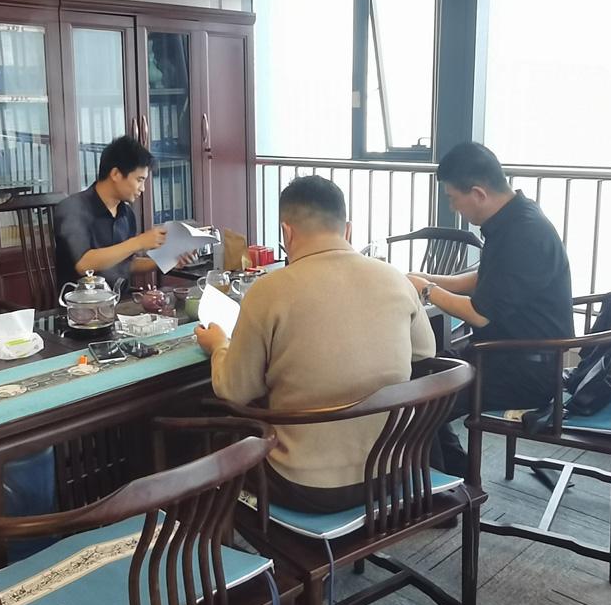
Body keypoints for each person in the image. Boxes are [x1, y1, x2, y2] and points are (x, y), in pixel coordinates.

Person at [195, 175, 436, 513]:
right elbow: (425, 351)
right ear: (347, 229)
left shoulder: (269, 291)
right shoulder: (395, 278)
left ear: (287, 232)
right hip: (391, 471)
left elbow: (235, 391)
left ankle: (221, 540)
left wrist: (220, 344)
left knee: (212, 445)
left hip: (304, 485)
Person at [407, 143, 573, 477]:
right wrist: (429, 278)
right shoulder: (515, 217)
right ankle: (456, 476)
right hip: (503, 353)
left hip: (525, 371)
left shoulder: (524, 234)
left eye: (453, 198)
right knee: (417, 372)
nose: (453, 207)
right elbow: (485, 279)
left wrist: (426, 290)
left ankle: (447, 489)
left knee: (418, 402)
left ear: (478, 194)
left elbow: (479, 313)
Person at [54, 135, 183, 291]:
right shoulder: (73, 208)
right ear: (115, 174)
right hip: (82, 303)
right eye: (139, 180)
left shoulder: (126, 213)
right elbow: (84, 264)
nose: (142, 188)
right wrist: (139, 242)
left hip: (120, 300)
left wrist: (168, 260)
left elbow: (125, 265)